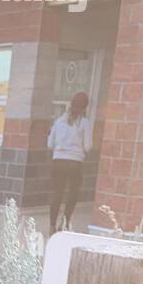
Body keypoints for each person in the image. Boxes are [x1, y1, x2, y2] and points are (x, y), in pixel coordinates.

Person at [48, 91, 93, 234]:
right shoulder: (85, 123)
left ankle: (51, 226)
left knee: (57, 194)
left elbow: (50, 144)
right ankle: (65, 223)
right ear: (85, 107)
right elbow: (87, 146)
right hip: (75, 163)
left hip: (58, 161)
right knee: (72, 195)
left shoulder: (59, 121)